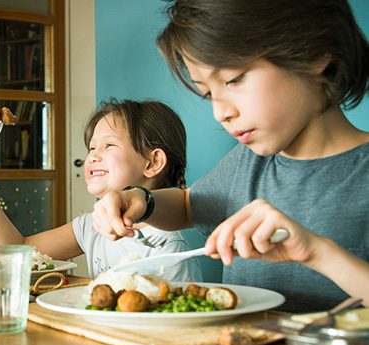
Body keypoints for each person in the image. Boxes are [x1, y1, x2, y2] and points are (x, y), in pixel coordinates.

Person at [91, 0, 369, 311]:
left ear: (315, 54)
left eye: (234, 80)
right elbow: (187, 206)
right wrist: (141, 200)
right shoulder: (248, 162)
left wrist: (316, 252)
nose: (221, 112)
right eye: (208, 93)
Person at [0, 99, 202, 281]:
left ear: (152, 163)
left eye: (108, 145)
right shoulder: (91, 227)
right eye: (91, 147)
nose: (93, 156)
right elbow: (15, 252)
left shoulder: (169, 252)